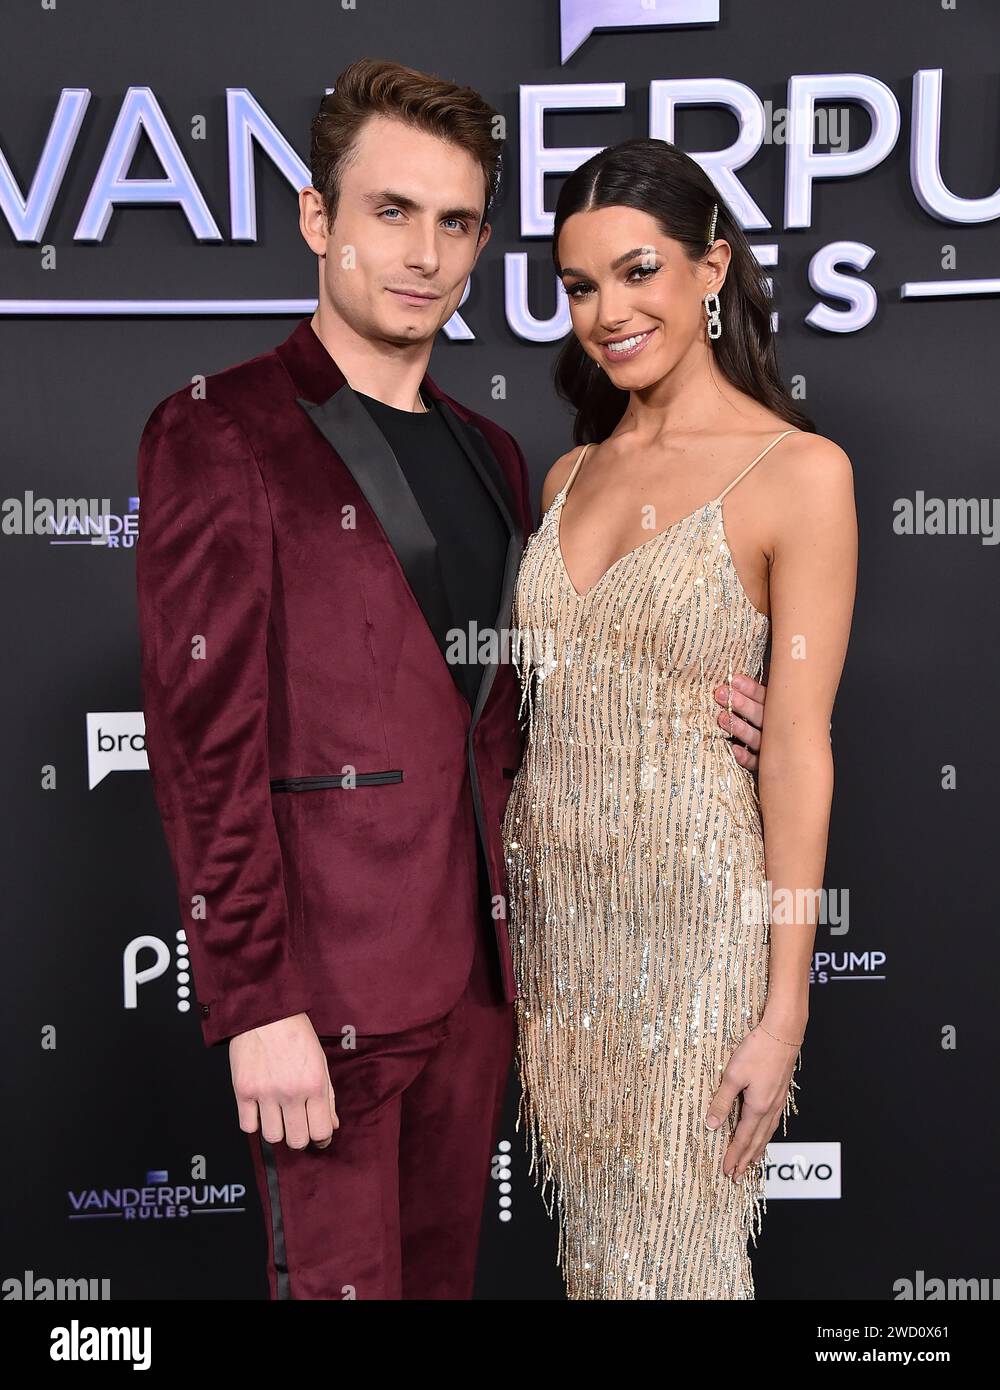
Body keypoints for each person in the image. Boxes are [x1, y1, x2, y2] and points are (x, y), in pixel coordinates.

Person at [135, 60, 769, 1300]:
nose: (425, 254)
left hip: (481, 988)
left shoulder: (496, 452)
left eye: (457, 222)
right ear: (319, 220)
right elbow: (200, 743)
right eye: (390, 212)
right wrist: (253, 1003)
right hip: (323, 1003)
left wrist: (675, 714)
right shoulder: (219, 430)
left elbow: (504, 711)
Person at [502, 138, 857, 1300]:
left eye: (638, 271)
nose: (607, 311)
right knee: (597, 1258)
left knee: (676, 1257)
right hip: (559, 936)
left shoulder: (798, 472)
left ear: (712, 270)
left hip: (691, 931)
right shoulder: (566, 479)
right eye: (580, 284)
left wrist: (783, 1012)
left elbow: (798, 749)